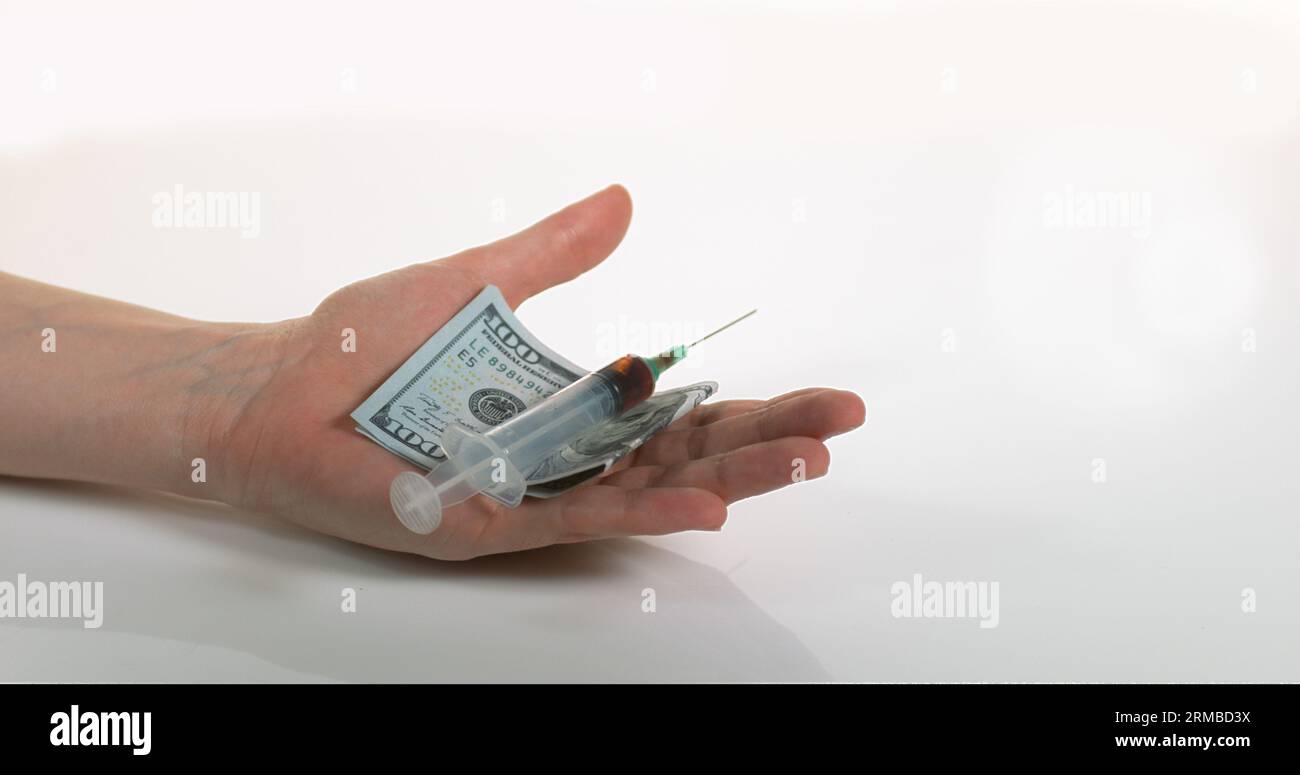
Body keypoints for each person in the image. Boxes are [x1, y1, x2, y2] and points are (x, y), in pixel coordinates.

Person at [0, 185, 865, 560]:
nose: (649, 370)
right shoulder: (507, 450)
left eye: (642, 371)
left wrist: (242, 400)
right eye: (642, 372)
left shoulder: (479, 462)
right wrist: (242, 411)